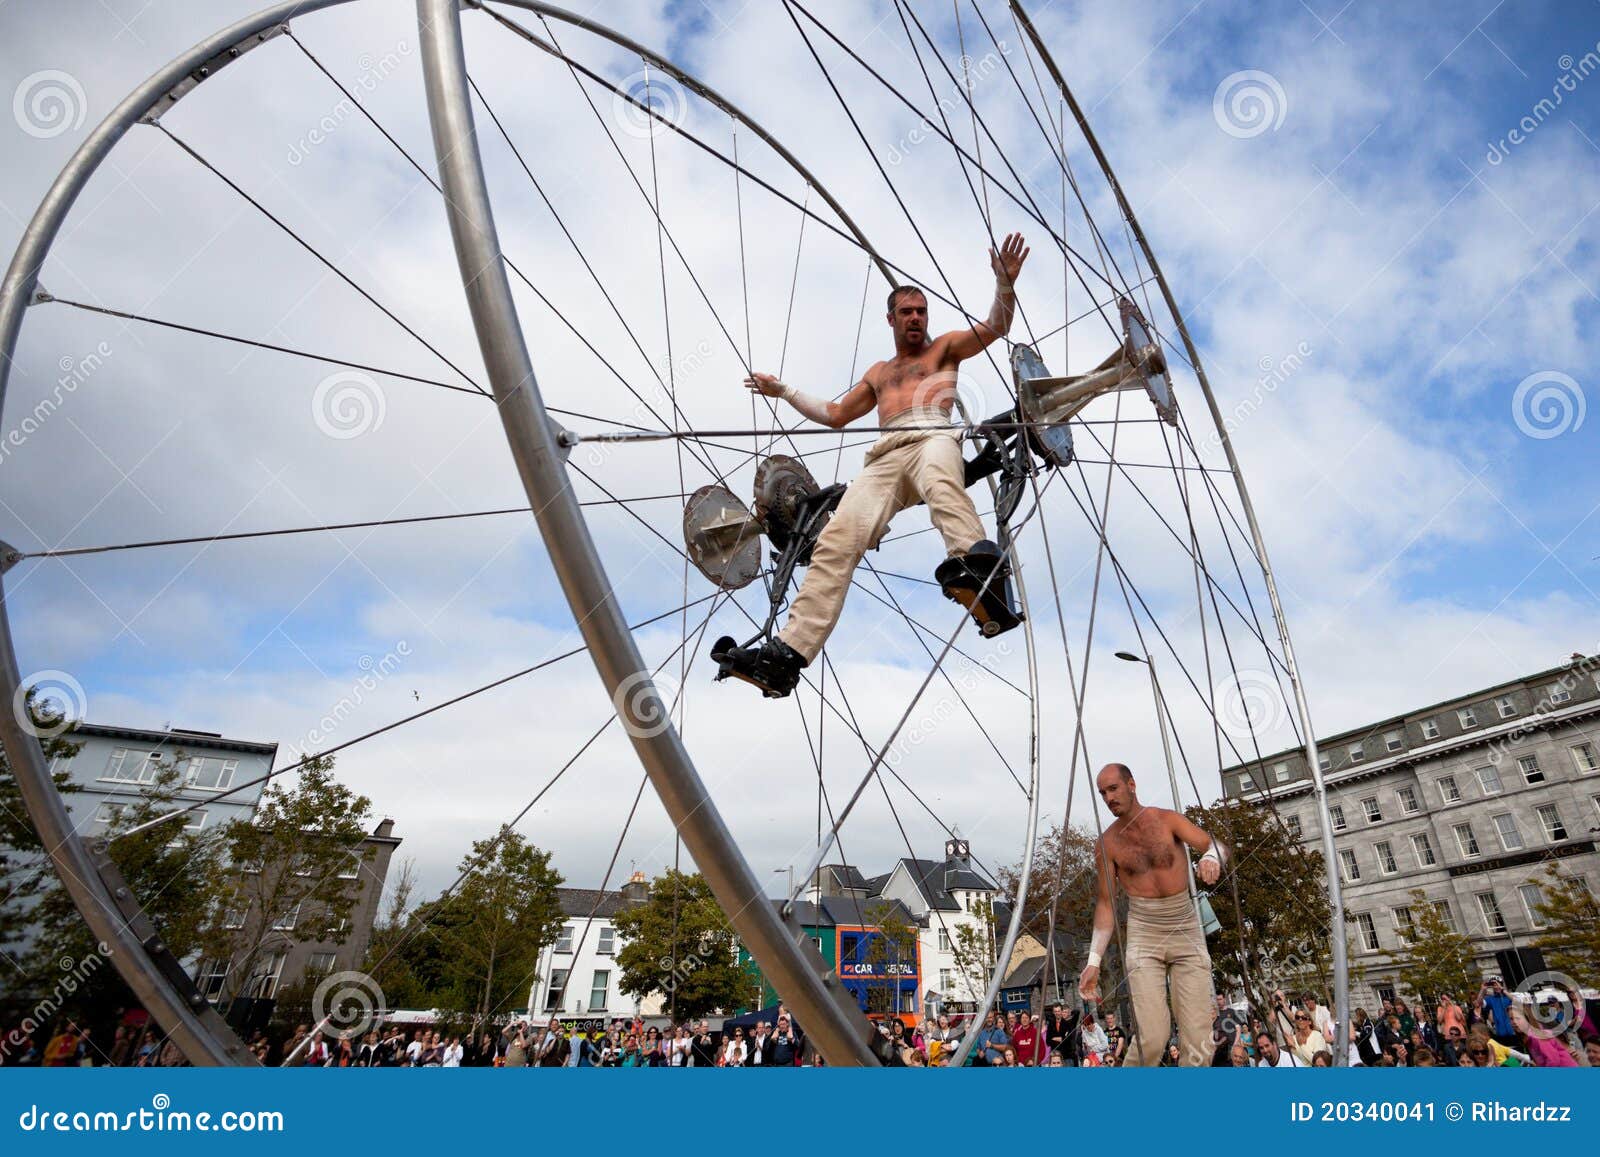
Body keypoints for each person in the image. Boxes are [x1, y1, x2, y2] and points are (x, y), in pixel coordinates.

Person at [712, 236, 1032, 697]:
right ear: (892, 319)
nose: (917, 318)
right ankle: (787, 653)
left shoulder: (943, 350)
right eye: (908, 312)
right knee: (836, 539)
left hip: (932, 434)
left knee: (944, 480)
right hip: (885, 455)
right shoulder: (880, 372)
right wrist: (783, 390)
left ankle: (977, 572)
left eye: (922, 311)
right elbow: (837, 415)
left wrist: (1004, 283)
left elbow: (995, 326)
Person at [1079, 763, 1226, 1066]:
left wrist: (1211, 858)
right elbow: (1106, 903)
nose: (1108, 798)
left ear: (1131, 784)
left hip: (1185, 924)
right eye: (1102, 793)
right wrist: (1093, 961)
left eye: (1113, 788)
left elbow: (1216, 845)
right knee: (1153, 1037)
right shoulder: (1107, 843)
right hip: (1145, 931)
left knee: (1198, 1040)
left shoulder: (1167, 820)